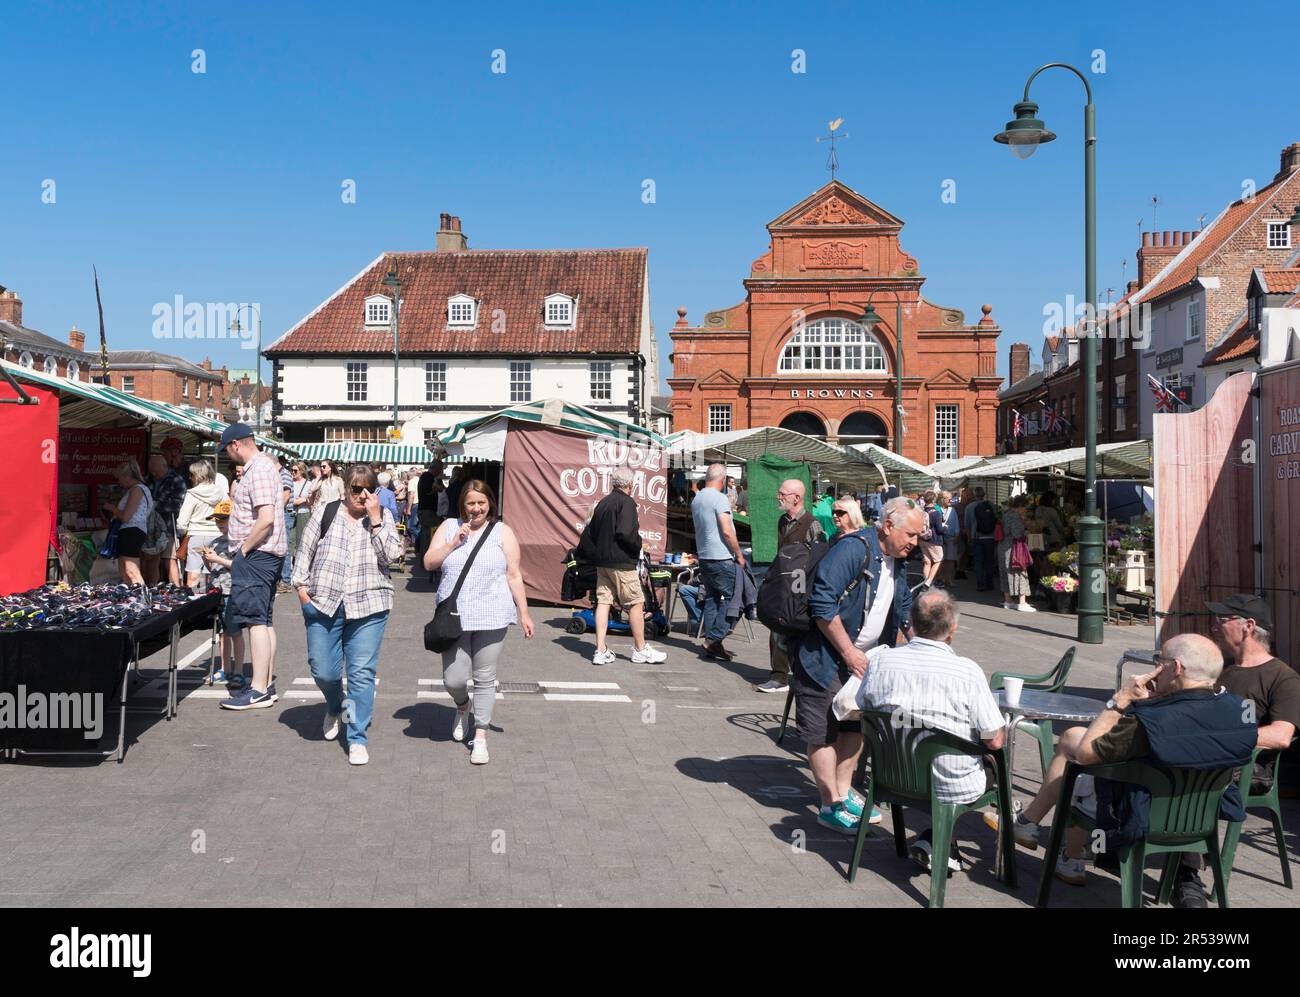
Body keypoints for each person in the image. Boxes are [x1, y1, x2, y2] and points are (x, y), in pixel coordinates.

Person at [986, 633, 1255, 900]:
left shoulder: (1149, 721)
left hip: (1137, 817)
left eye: (1158, 662)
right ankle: (1060, 850)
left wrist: (1120, 701)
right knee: (1080, 768)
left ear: (1176, 668)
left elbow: (1085, 753)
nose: (1154, 670)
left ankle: (1055, 842)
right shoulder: (1240, 712)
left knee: (1075, 773)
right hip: (1200, 820)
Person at [794, 496, 924, 834]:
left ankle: (844, 789)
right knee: (822, 733)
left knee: (855, 726)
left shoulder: (897, 558)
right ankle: (829, 803)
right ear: (888, 526)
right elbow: (822, 602)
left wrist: (922, 646)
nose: (915, 543)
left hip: (865, 659)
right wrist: (849, 651)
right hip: (825, 655)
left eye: (918, 536)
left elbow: (904, 604)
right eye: (910, 535)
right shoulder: (854, 549)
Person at [858, 588, 1006, 874]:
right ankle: (949, 843)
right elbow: (995, 739)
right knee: (993, 757)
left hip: (892, 776)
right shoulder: (967, 671)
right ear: (952, 630)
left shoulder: (881, 662)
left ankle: (940, 843)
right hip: (951, 782)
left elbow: (863, 706)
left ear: (911, 624)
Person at [293, 463, 404, 766]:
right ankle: (335, 705)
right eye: (356, 489)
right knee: (324, 671)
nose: (362, 494)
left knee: (361, 675)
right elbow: (304, 552)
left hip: (370, 607)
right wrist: (302, 593)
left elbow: (393, 557)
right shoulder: (326, 512)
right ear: (345, 489)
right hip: (324, 603)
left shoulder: (382, 517)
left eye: (369, 488)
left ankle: (357, 736)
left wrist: (377, 518)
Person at [424, 480, 535, 765]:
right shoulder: (449, 527)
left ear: (490, 504)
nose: (476, 509)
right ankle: (463, 706)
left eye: (481, 503)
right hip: (454, 617)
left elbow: (513, 574)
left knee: (485, 676)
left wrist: (524, 613)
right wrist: (452, 543)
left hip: (493, 614)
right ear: (463, 504)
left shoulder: (502, 532)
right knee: (454, 678)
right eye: (471, 503)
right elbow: (428, 563)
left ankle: (481, 734)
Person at [218, 423, 288, 711]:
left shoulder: (257, 469)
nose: (228, 455)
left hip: (256, 555)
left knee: (255, 622)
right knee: (264, 620)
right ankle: (265, 684)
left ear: (236, 444)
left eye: (227, 449)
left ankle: (258, 689)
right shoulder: (263, 468)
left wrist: (244, 550)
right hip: (264, 554)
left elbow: (266, 517)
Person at [579, 468, 667, 666]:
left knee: (603, 602)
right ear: (630, 485)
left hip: (602, 562)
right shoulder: (626, 503)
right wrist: (638, 544)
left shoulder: (603, 502)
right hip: (621, 561)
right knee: (635, 603)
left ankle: (600, 650)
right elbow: (625, 533)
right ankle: (640, 649)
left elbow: (590, 532)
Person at [758, 479, 825, 694]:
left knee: (790, 626)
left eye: (782, 494)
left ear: (796, 498)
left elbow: (818, 556)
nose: (778, 497)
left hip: (799, 585)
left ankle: (787, 676)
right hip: (782, 582)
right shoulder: (783, 521)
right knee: (776, 624)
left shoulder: (812, 524)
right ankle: (778, 675)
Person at [690, 463, 745, 661]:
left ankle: (714, 644)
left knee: (712, 599)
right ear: (722, 480)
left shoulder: (697, 499)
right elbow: (726, 530)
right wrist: (738, 554)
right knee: (735, 600)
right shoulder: (720, 498)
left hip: (705, 555)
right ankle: (713, 638)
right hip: (721, 556)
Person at [199, 499, 244, 687]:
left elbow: (240, 567)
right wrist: (207, 559)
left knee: (235, 633)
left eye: (223, 520)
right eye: (217, 521)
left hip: (232, 591)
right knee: (222, 634)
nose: (220, 524)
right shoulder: (216, 542)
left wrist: (216, 558)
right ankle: (224, 669)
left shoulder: (240, 541)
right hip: (218, 591)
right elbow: (211, 569)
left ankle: (239, 671)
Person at [102, 460, 152, 585]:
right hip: (130, 532)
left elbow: (126, 517)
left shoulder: (137, 490)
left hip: (131, 531)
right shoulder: (137, 490)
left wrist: (112, 508)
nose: (119, 482)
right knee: (124, 570)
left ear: (126, 476)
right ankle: (132, 597)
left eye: (119, 478)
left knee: (131, 570)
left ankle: (142, 597)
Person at [177, 459, 224, 588]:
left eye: (191, 474)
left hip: (197, 535)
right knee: (209, 573)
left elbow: (182, 522)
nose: (190, 477)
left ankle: (194, 600)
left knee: (194, 574)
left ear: (198, 475)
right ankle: (207, 600)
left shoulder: (192, 494)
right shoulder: (221, 493)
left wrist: (182, 532)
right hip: (217, 535)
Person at [142, 451, 186, 586]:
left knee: (169, 558)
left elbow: (178, 503)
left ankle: (177, 588)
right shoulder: (149, 479)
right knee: (151, 558)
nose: (154, 474)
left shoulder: (176, 479)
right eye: (152, 471)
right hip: (149, 526)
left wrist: (156, 505)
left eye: (156, 471)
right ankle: (151, 586)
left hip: (168, 525)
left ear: (164, 466)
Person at [998, 494, 1035, 612]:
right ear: (1020, 506)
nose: (1025, 511)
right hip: (1013, 548)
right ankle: (1022, 603)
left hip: (1002, 546)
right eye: (1025, 508)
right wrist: (1026, 532)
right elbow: (1017, 534)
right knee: (1019, 571)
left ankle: (1008, 601)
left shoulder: (1006, 513)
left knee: (1005, 573)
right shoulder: (1015, 516)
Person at [964, 487, 999, 592]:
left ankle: (980, 584)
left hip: (976, 537)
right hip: (991, 537)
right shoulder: (992, 505)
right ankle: (989, 583)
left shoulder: (969, 507)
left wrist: (969, 538)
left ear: (974, 495)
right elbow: (997, 520)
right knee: (989, 561)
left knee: (978, 561)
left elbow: (967, 525)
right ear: (984, 494)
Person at [277, 455, 296, 593]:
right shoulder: (280, 474)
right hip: (283, 512)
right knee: (281, 546)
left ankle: (285, 581)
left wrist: (276, 512)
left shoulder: (284, 475)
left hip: (285, 513)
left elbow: (286, 495)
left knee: (285, 547)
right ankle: (282, 580)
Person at [920, 491, 947, 589]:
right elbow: (939, 529)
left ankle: (925, 582)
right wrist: (945, 528)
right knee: (938, 560)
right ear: (934, 500)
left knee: (927, 562)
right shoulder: (936, 513)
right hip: (934, 540)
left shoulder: (921, 512)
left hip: (922, 538)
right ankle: (928, 582)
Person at [938, 491, 961, 587]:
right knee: (940, 560)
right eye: (948, 498)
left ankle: (949, 579)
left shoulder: (952, 510)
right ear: (942, 499)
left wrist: (957, 535)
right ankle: (941, 579)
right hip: (940, 538)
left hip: (951, 538)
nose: (950, 500)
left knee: (950, 560)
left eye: (951, 498)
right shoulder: (937, 509)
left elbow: (956, 523)